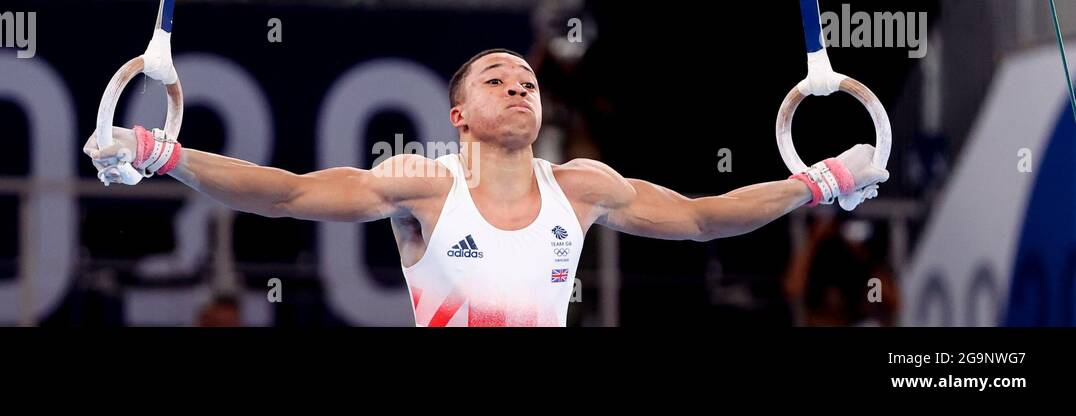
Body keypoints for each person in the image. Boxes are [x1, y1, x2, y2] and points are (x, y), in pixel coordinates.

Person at [84, 48, 889, 326]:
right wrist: (162, 152)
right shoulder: (423, 186)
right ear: (459, 115)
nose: (518, 87)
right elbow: (287, 194)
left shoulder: (583, 186)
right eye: (497, 79)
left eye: (529, 80)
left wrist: (816, 182)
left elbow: (705, 219)